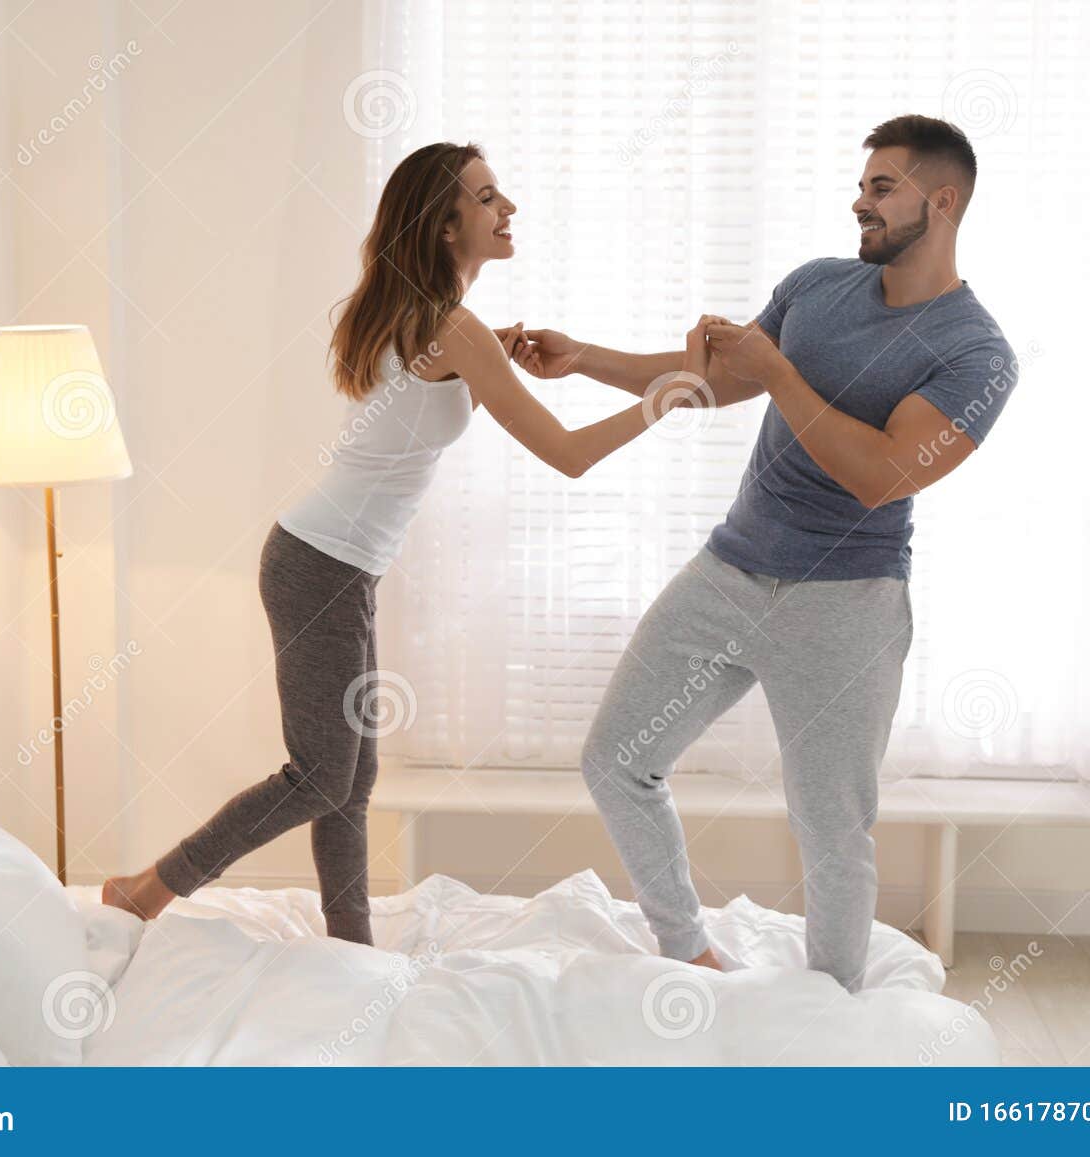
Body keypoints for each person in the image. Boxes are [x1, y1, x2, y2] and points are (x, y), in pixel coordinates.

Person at [102, 142, 707, 941]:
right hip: (320, 565)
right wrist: (665, 397)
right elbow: (565, 454)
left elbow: (438, 387)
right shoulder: (453, 328)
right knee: (321, 775)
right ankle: (148, 887)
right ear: (445, 222)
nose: (508, 208)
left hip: (330, 564)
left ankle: (348, 940)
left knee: (349, 776)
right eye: (489, 197)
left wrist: (506, 354)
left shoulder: (427, 316)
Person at [514, 115, 1018, 993]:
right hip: (731, 570)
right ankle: (693, 957)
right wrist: (582, 358)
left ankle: (830, 1011)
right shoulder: (818, 286)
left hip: (847, 603)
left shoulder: (977, 353)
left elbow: (882, 477)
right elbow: (711, 380)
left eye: (882, 187)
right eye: (862, 184)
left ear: (943, 201)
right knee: (617, 759)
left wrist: (781, 371)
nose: (859, 201)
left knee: (831, 827)